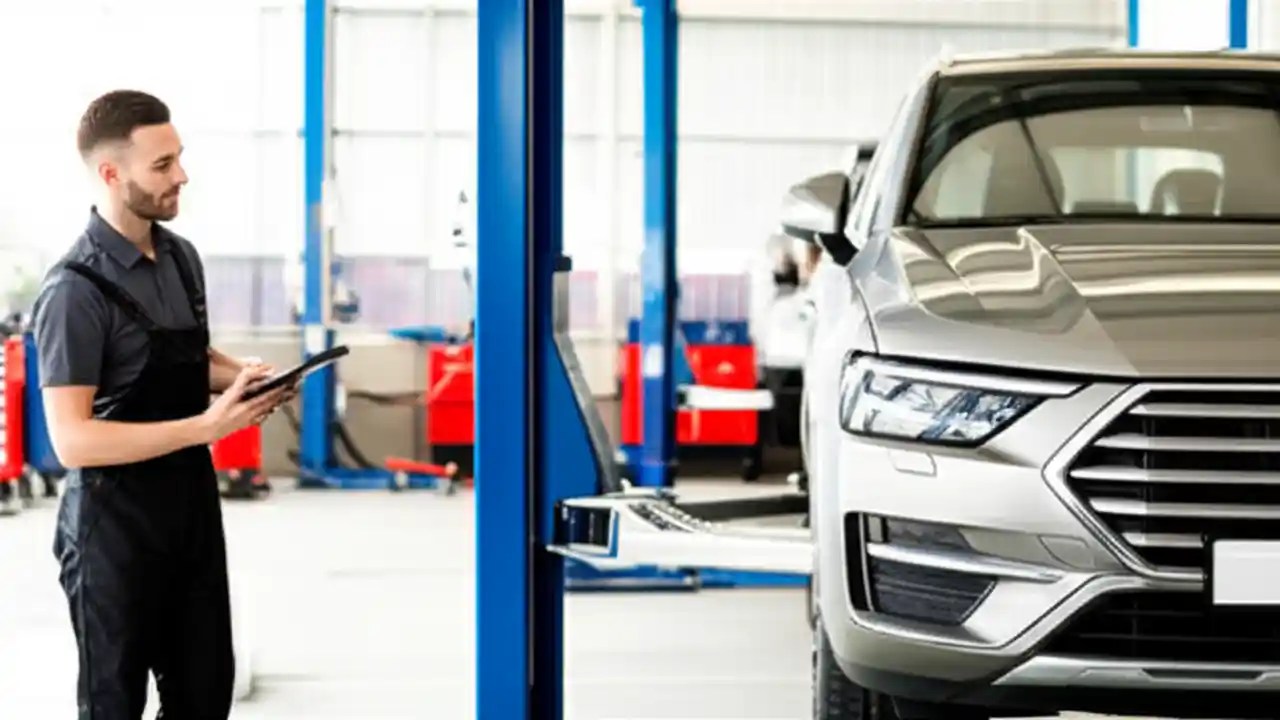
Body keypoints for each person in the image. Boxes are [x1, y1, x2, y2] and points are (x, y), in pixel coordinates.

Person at [31, 89, 291, 719]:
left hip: (190, 515)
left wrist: (246, 378)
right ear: (111, 174)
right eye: (163, 165)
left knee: (204, 696)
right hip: (112, 528)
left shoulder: (179, 258)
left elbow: (178, 357)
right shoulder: (74, 290)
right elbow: (73, 440)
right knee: (113, 703)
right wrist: (206, 427)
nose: (182, 175)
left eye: (179, 158)